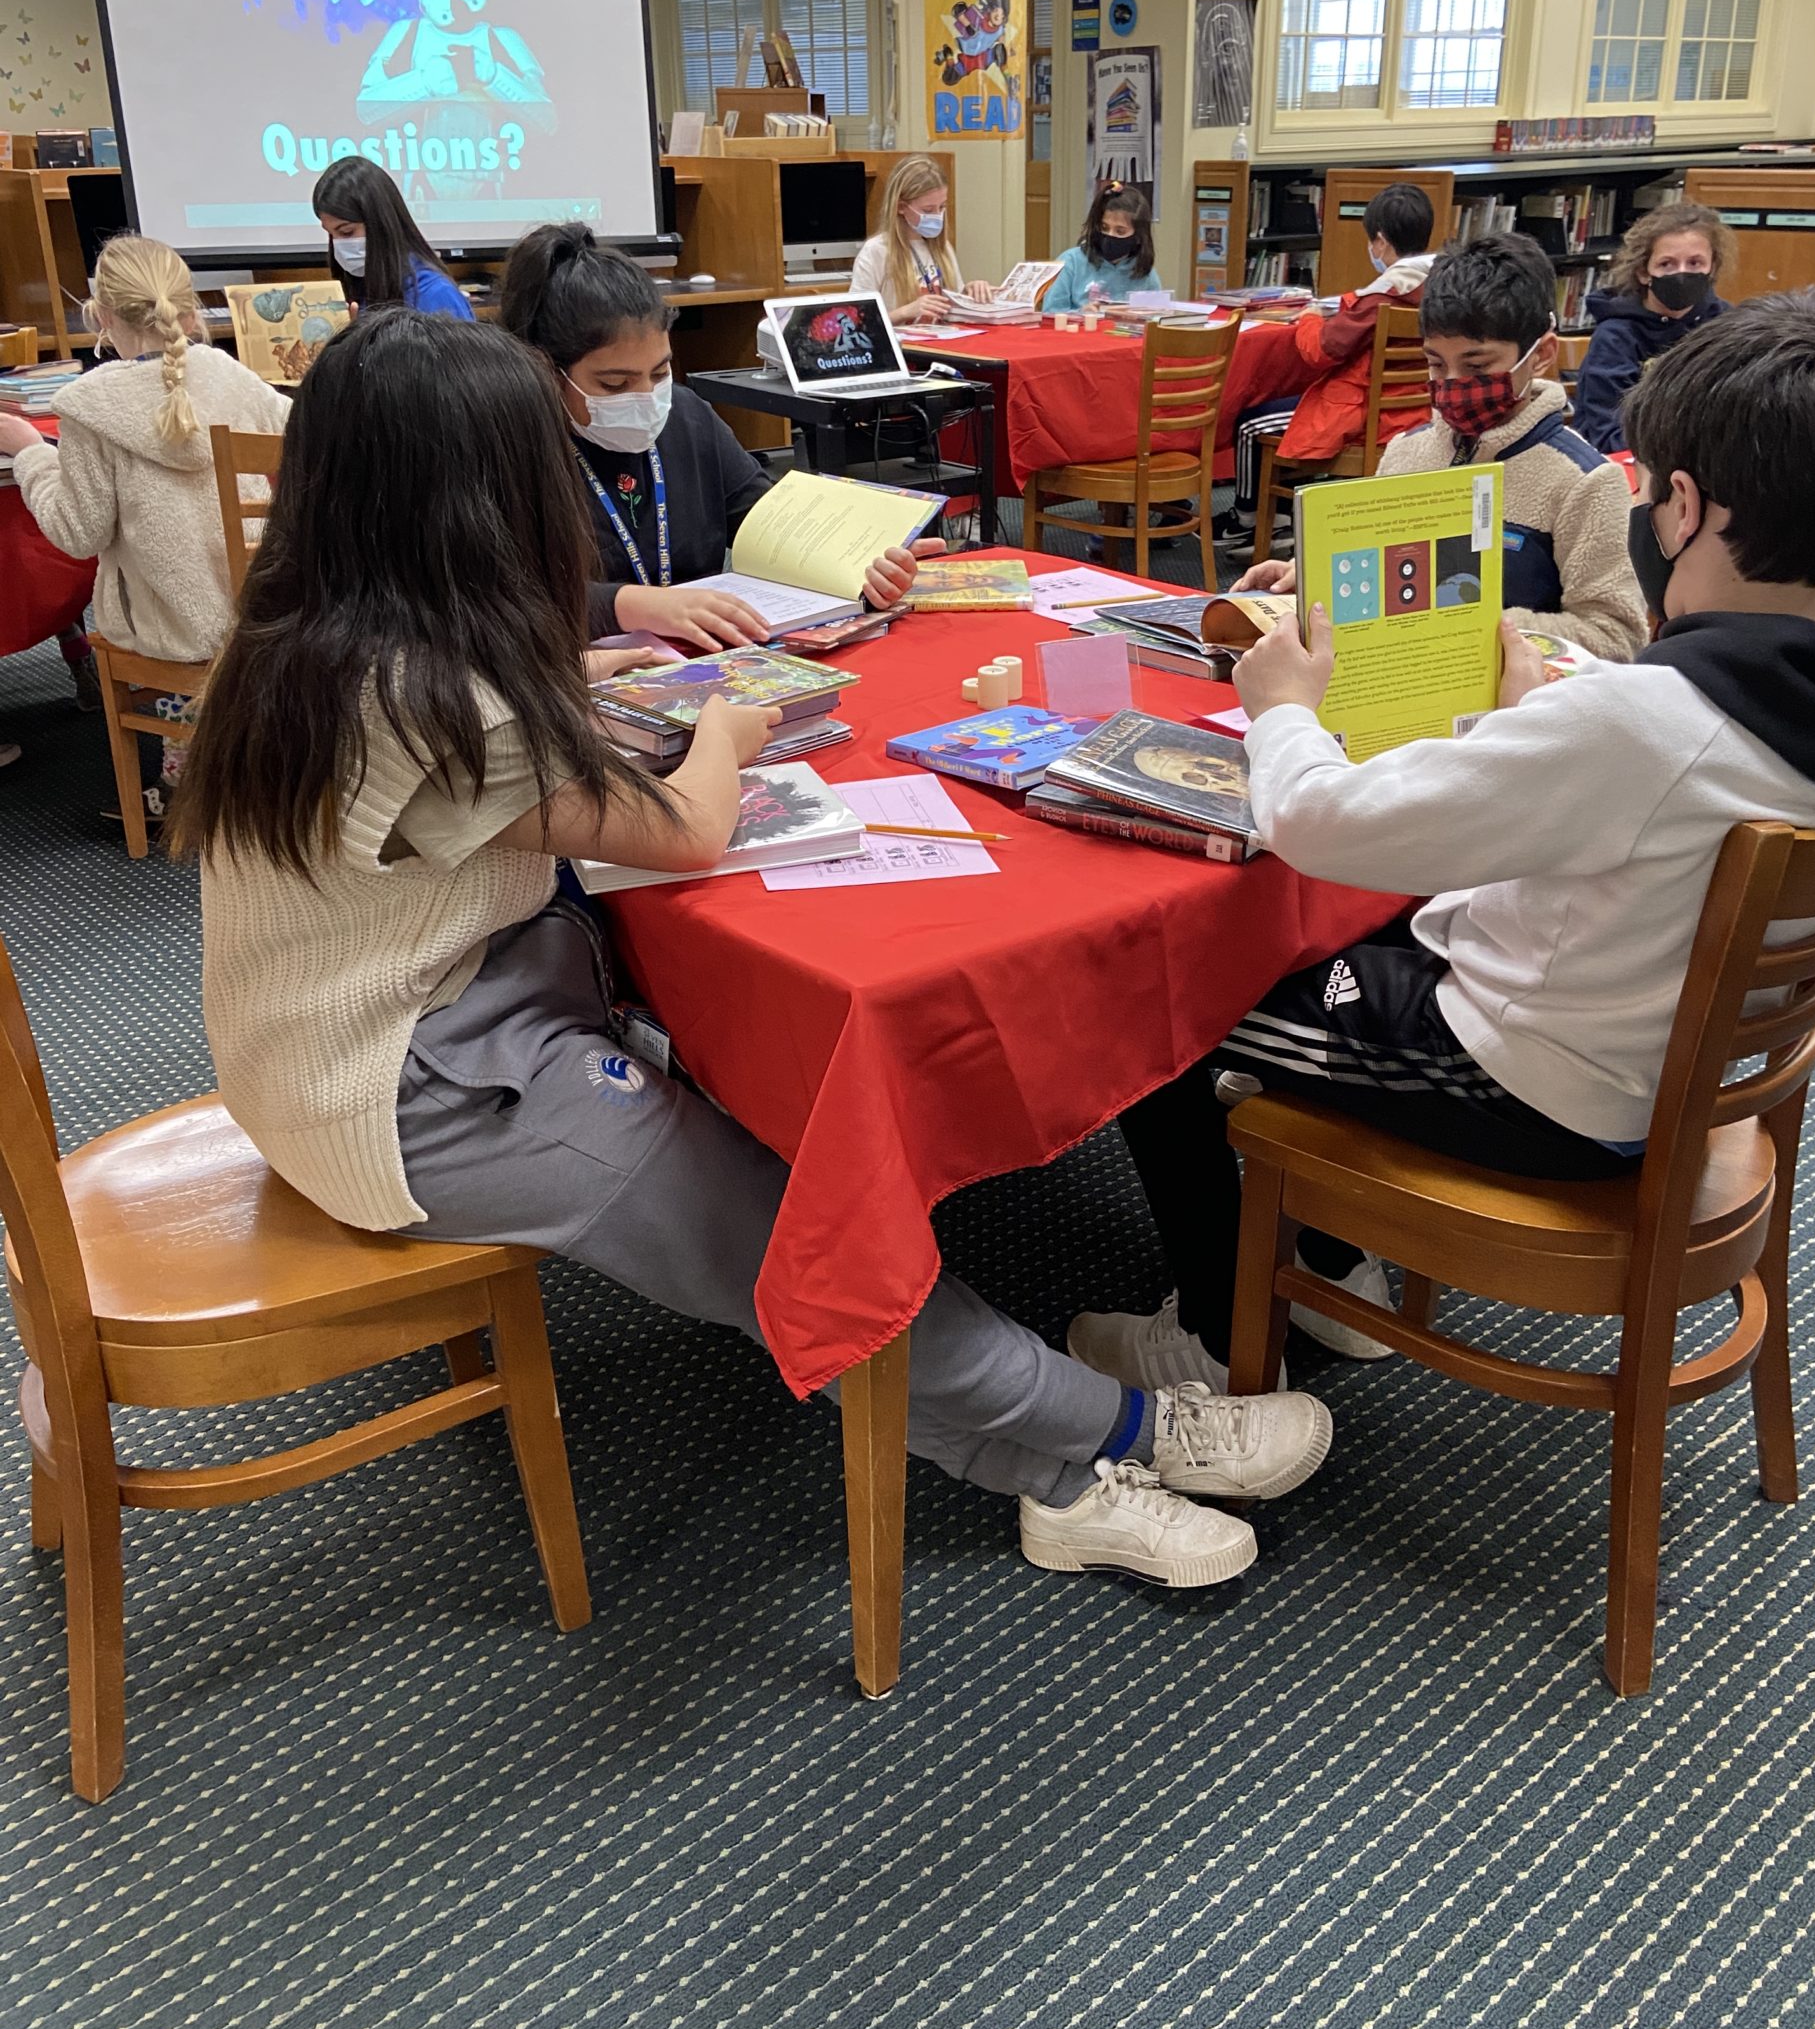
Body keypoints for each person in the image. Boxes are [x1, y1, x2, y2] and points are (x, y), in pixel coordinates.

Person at [173, 308, 1331, 1587]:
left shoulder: (312, 629)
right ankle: (1095, 1445)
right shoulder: (420, 694)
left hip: (361, 1031)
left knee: (772, 1144)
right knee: (802, 1233)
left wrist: (589, 664)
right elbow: (684, 827)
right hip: (414, 1079)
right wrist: (723, 723)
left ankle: (1044, 1429)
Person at [1073, 287, 1815, 1393]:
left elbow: (1319, 823)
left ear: (1681, 506)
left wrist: (1280, 703)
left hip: (1533, 1086)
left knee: (1156, 1008)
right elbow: (1641, 814)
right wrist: (1535, 717)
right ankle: (1328, 1259)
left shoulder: (1640, 719)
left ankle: (1220, 1336)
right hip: (1665, 1065)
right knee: (1323, 956)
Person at [500, 222, 938, 650]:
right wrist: (631, 605)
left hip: (704, 660)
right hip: (574, 677)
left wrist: (856, 559)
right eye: (614, 385)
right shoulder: (508, 444)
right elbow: (493, 600)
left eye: (659, 372)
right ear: (546, 371)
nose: (646, 397)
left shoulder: (685, 416)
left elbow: (769, 524)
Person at [1230, 233, 1645, 664]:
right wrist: (1314, 579)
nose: (1451, 384)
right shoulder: (1405, 453)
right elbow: (1379, 570)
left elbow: (1616, 637)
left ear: (1540, 355)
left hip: (1513, 712)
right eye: (1434, 363)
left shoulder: (1585, 482)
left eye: (1477, 366)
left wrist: (1470, 624)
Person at [0, 233, 290, 823]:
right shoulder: (233, 376)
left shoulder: (86, 404)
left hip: (167, 626)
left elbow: (75, 534)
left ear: (101, 316)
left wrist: (30, 452)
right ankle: (246, 767)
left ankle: (183, 786)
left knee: (166, 605)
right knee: (211, 614)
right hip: (265, 608)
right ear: (187, 310)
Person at [1219, 181, 1438, 558]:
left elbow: (1321, 351)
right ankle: (1283, 518)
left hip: (1362, 415)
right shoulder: (1439, 285)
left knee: (1250, 423)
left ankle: (1246, 520)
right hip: (1412, 413)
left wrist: (1308, 318)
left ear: (1381, 241)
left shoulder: (1381, 299)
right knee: (1283, 408)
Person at [1572, 202, 1732, 457]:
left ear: (1712, 267)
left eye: (1695, 263)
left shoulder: (1727, 325)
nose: (1682, 274)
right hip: (1628, 463)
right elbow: (1608, 431)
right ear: (1644, 273)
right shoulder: (1615, 336)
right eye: (1666, 264)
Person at [311, 156, 476, 320]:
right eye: (331, 234)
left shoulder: (436, 295)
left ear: (380, 224)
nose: (339, 245)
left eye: (347, 232)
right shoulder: (359, 292)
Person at [849, 156, 995, 325]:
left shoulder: (942, 248)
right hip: (902, 347)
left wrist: (970, 292)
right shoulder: (877, 251)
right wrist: (904, 312)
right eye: (928, 210)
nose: (937, 216)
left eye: (942, 207)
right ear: (901, 207)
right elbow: (857, 322)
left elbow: (952, 304)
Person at [1047, 183, 1159, 312]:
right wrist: (1081, 314)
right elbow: (1050, 313)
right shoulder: (1070, 262)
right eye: (1104, 228)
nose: (1110, 236)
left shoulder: (1145, 274)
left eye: (1120, 231)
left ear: (1138, 237)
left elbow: (1154, 318)